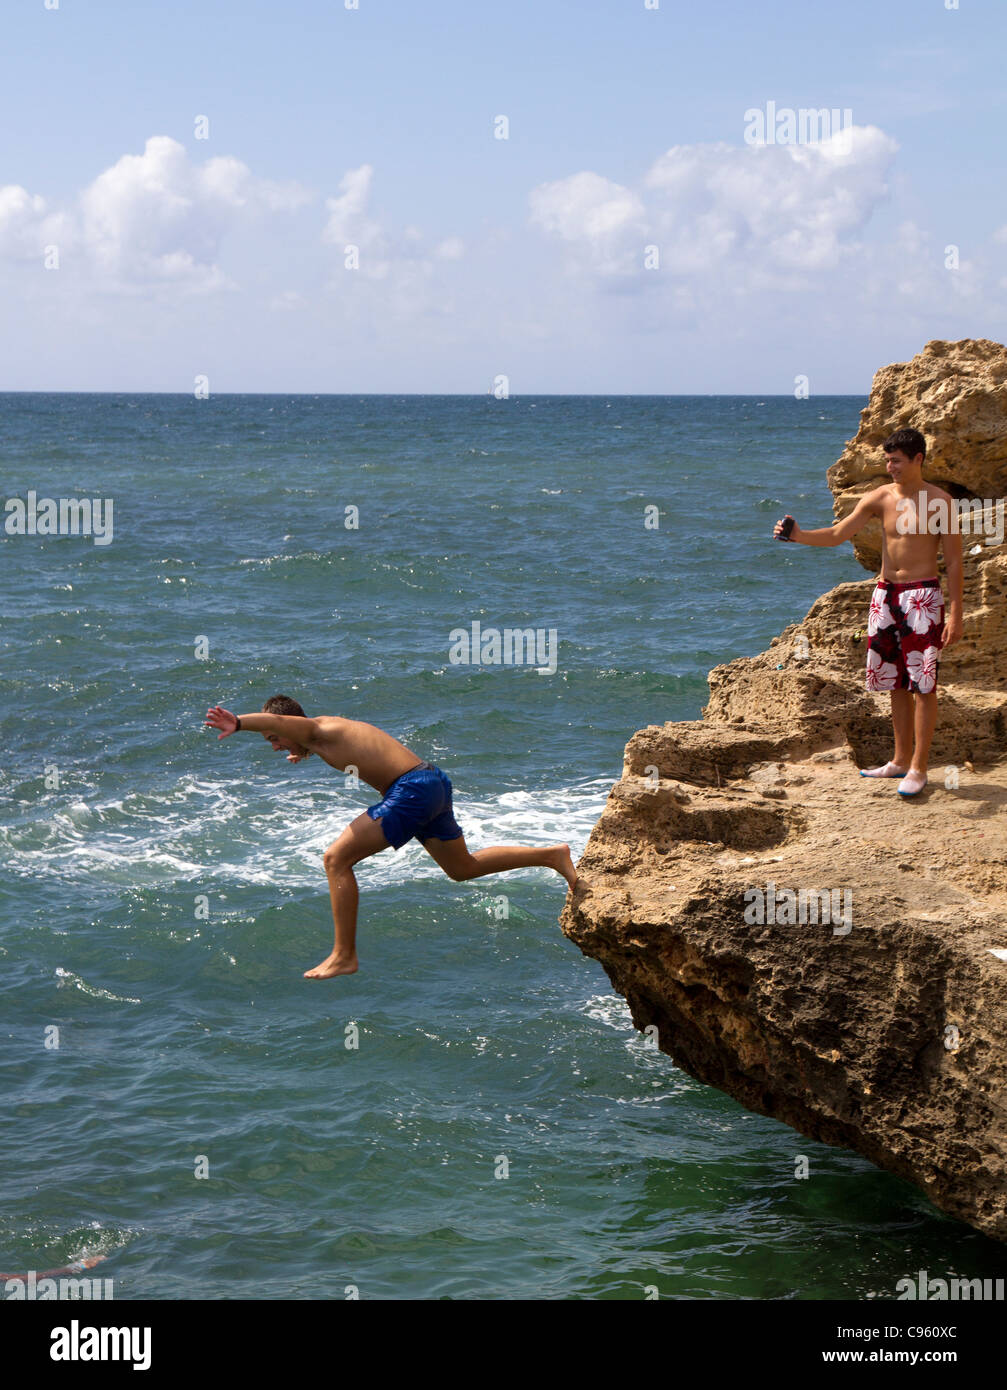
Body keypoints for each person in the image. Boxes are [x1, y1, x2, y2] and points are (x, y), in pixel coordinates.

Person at [204, 695, 577, 978]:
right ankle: (551, 856)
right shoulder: (318, 737)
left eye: (274, 738)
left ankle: (343, 955)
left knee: (336, 859)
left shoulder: (315, 728)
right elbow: (331, 746)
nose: (274, 746)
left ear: (287, 724)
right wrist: (300, 751)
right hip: (431, 782)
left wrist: (237, 722)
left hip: (410, 789)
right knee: (462, 868)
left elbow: (281, 724)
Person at [774, 427, 963, 798]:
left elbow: (954, 563)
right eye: (887, 460)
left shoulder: (940, 502)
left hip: (922, 597)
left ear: (917, 460)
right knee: (893, 681)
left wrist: (956, 614)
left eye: (896, 460)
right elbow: (838, 533)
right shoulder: (879, 498)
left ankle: (920, 768)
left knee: (923, 685)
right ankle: (899, 760)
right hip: (885, 595)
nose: (889, 467)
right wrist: (798, 535)